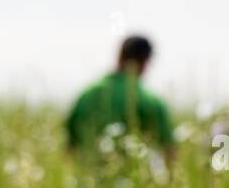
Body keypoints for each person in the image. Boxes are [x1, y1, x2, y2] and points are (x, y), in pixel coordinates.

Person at [66, 35, 176, 165]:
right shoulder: (150, 101)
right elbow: (169, 151)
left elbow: (70, 147)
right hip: (135, 181)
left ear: (120, 56)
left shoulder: (87, 94)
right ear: (145, 61)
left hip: (89, 179)